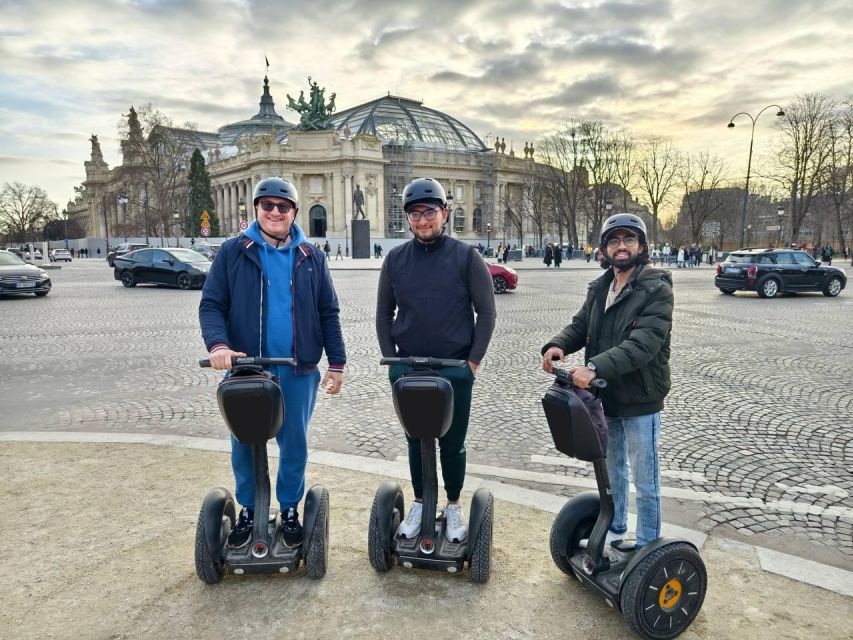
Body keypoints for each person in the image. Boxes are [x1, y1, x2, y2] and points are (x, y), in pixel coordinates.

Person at [199, 176, 346, 551]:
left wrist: (337, 363)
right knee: (244, 443)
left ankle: (290, 508)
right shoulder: (234, 251)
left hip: (298, 369)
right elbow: (213, 304)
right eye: (267, 205)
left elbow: (328, 312)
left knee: (293, 443)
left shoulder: (312, 256)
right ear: (257, 210)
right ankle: (249, 509)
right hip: (248, 369)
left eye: (283, 207)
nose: (275, 212)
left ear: (294, 212)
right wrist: (218, 345)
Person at [541, 212, 673, 553]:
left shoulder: (656, 289)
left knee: (645, 481)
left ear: (641, 245)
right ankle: (615, 530)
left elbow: (642, 345)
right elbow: (581, 324)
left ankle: (646, 547)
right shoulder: (601, 287)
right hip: (605, 396)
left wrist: (594, 366)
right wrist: (558, 345)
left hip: (641, 399)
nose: (622, 246)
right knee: (612, 470)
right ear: (604, 249)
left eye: (629, 239)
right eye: (614, 241)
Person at [376, 177, 496, 543]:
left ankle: (454, 504)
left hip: (455, 368)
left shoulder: (466, 257)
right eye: (415, 213)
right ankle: (420, 500)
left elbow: (486, 313)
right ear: (407, 218)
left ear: (444, 213)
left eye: (429, 212)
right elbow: (384, 314)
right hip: (409, 368)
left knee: (452, 442)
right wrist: (392, 362)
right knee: (416, 439)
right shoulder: (396, 260)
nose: (423, 220)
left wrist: (472, 363)